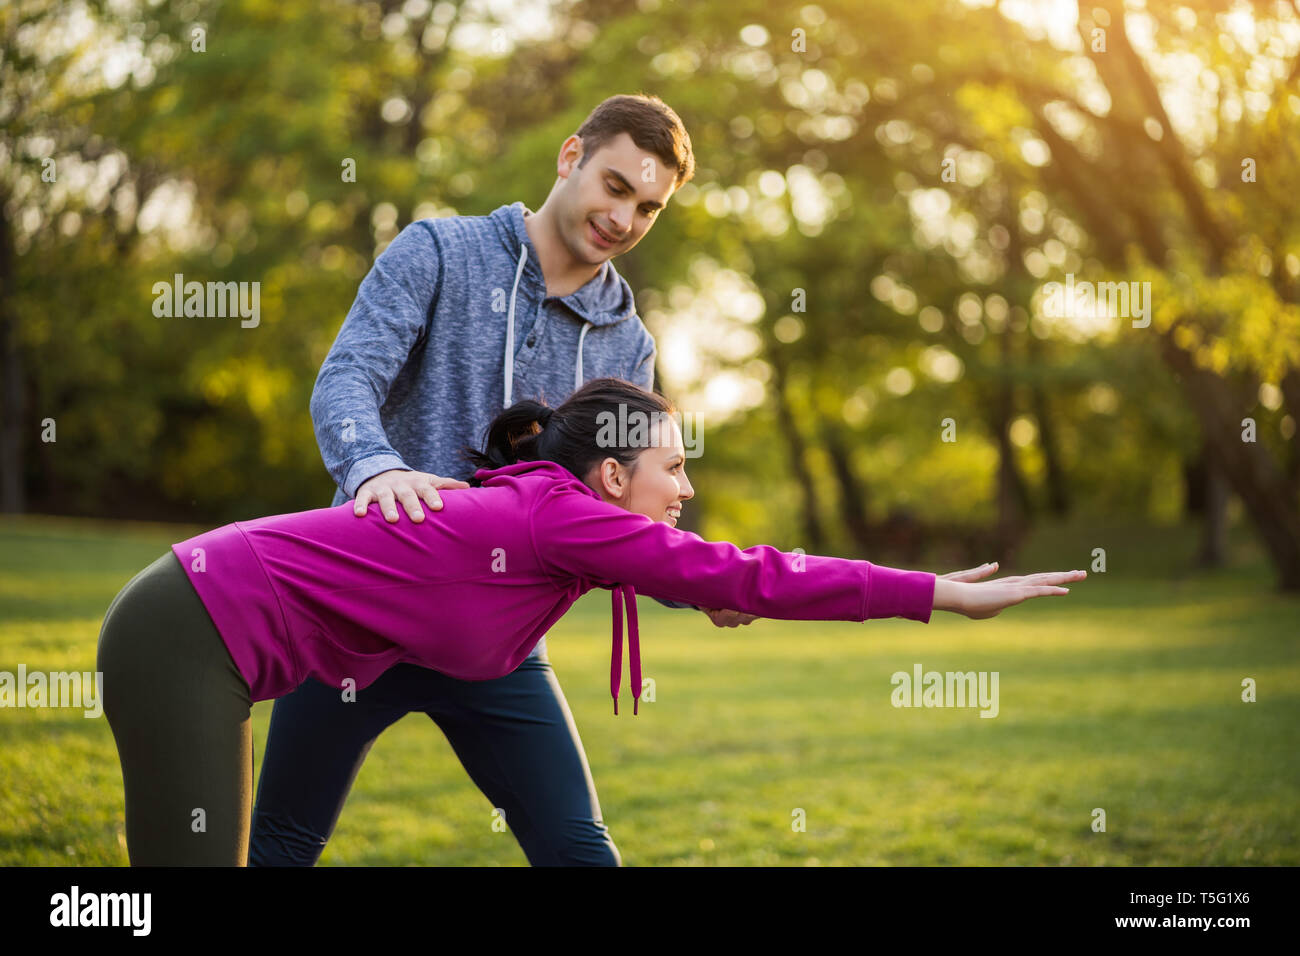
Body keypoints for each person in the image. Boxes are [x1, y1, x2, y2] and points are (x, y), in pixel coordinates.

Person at [97, 378, 1086, 866]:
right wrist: (944, 592)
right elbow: (754, 570)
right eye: (674, 468)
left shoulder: (552, 522)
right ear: (612, 475)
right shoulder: (560, 514)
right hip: (185, 629)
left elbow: (714, 576)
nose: (687, 488)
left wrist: (712, 590)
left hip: (204, 623)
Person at [250, 93, 745, 868]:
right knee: (280, 846)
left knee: (580, 854)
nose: (624, 219)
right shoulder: (438, 253)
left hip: (498, 642)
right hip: (359, 612)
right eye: (615, 187)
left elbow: (626, 514)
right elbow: (346, 381)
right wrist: (376, 468)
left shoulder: (628, 346)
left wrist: (702, 584)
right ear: (570, 156)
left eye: (648, 207)